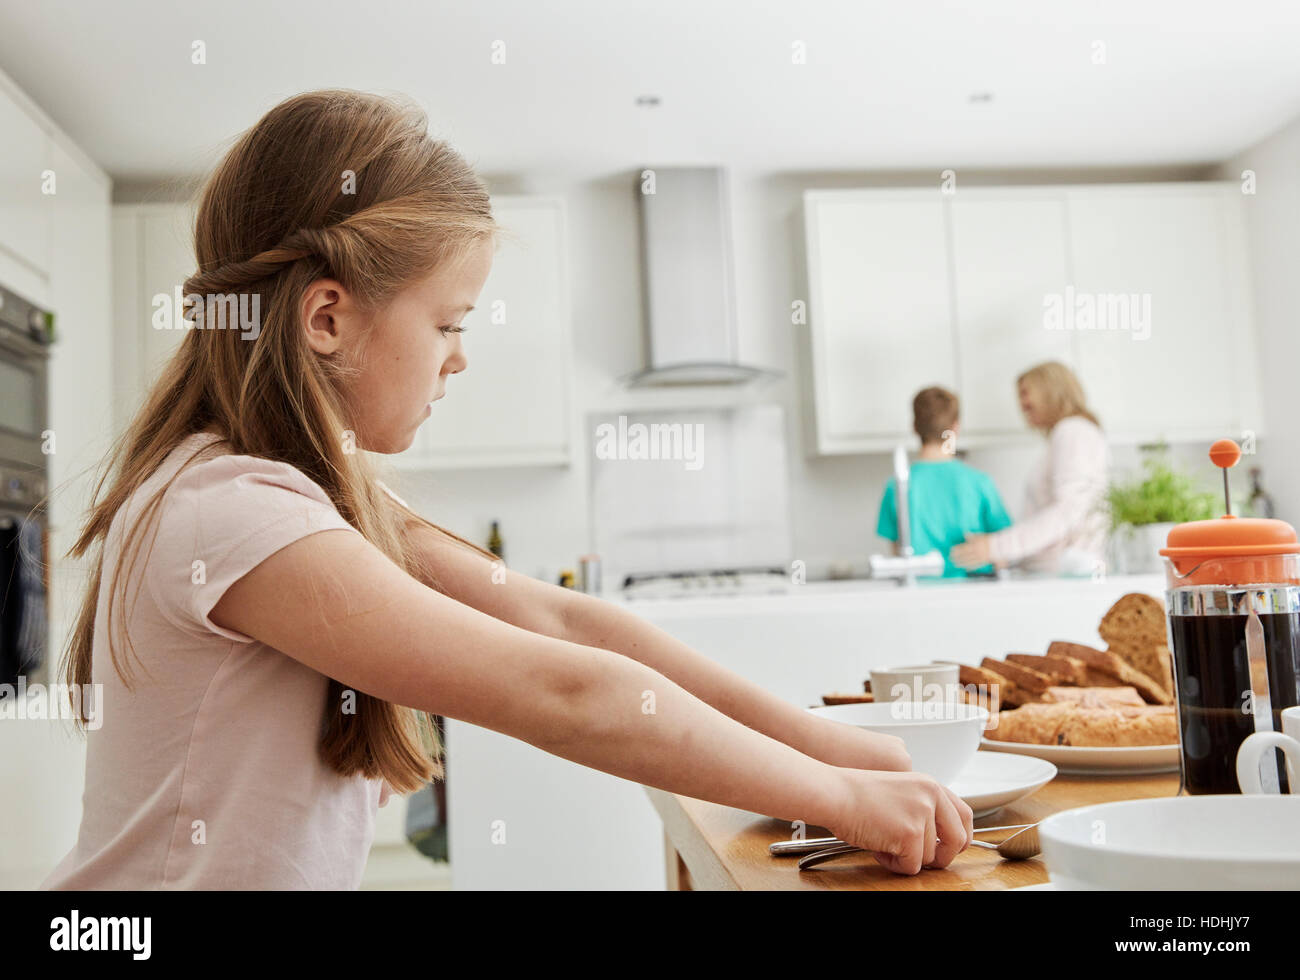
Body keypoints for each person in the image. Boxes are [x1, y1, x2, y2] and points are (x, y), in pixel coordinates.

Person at [40, 90, 971, 889]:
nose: (459, 358)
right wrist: (839, 797)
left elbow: (567, 625)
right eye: (448, 322)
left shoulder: (305, 494)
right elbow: (566, 692)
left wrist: (820, 743)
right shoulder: (232, 509)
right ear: (327, 317)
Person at [951, 362, 1109, 576]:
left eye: (1026, 393)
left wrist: (997, 547)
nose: (1022, 403)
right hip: (1059, 571)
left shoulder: (1072, 432)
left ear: (1050, 391)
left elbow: (1068, 511)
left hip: (1065, 572)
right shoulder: (1072, 433)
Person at [876, 387, 1012, 577]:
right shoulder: (979, 482)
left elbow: (898, 554)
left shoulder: (896, 486)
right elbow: (1005, 549)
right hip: (976, 593)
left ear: (914, 426)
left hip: (920, 595)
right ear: (955, 427)